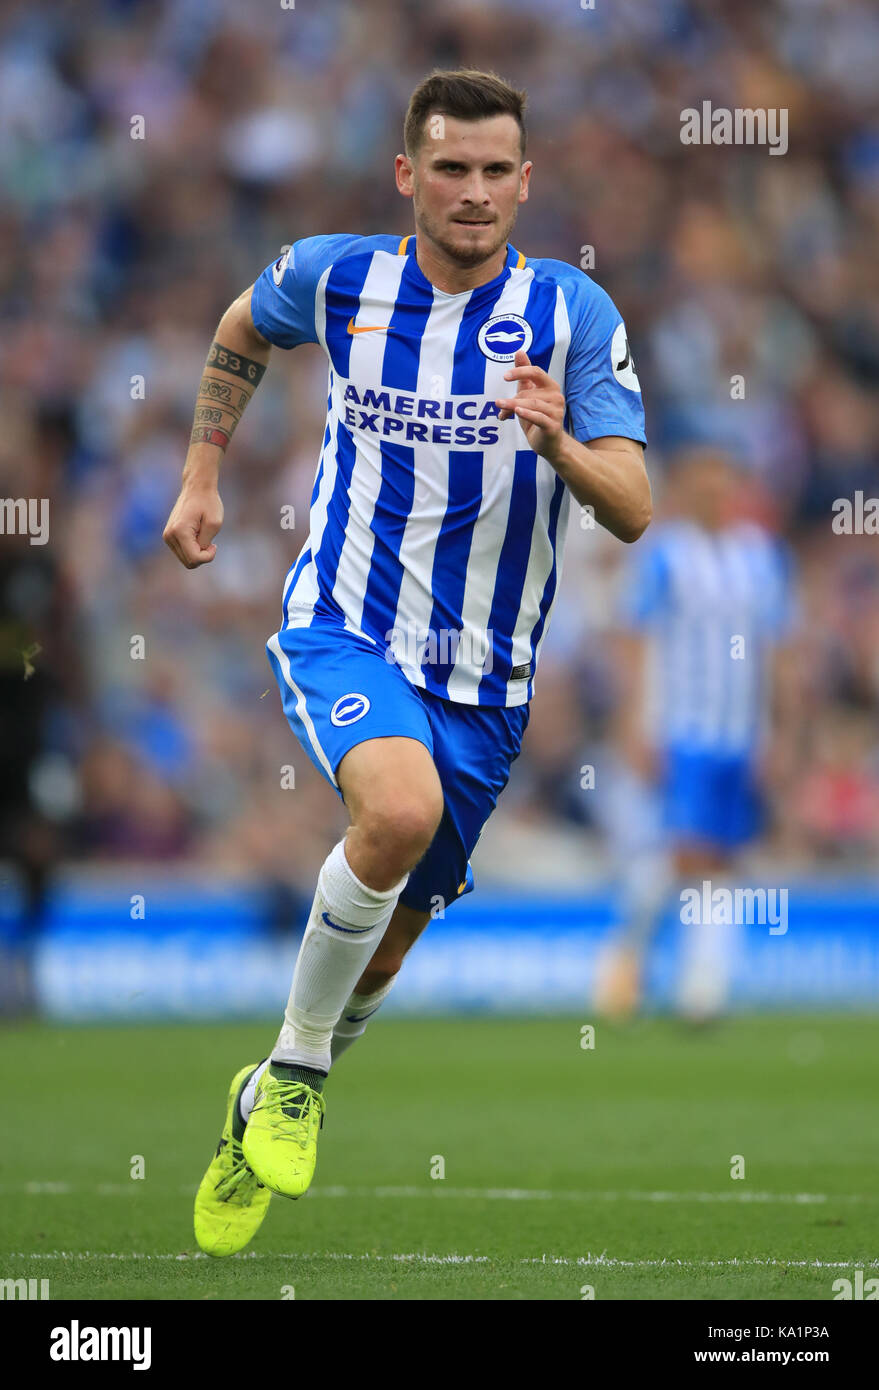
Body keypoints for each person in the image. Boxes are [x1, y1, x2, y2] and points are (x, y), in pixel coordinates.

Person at [162, 67, 650, 1257]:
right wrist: (200, 473)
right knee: (393, 806)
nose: (473, 193)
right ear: (407, 176)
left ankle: (279, 1089)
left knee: (394, 924)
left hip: (487, 681)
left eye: (495, 172)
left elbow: (634, 505)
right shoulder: (338, 275)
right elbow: (240, 327)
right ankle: (288, 1072)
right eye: (451, 168)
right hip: (348, 622)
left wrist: (564, 442)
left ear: (526, 183)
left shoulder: (575, 315)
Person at [593, 447, 797, 1021]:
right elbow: (635, 642)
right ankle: (636, 958)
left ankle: (699, 986)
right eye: (702, 480)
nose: (714, 491)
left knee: (723, 857)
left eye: (723, 480)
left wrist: (780, 734)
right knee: (688, 851)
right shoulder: (665, 558)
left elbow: (779, 652)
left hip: (741, 732)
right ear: (684, 489)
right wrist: (634, 724)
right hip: (680, 727)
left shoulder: (763, 559)